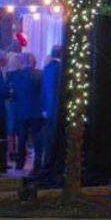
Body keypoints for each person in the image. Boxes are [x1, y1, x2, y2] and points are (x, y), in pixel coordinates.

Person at [8, 52, 42, 173]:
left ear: (22, 62)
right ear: (33, 62)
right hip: (37, 111)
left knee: (21, 139)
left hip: (21, 111)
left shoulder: (15, 75)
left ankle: (19, 164)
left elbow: (12, 93)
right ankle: (38, 164)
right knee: (37, 139)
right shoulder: (40, 74)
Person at [36, 45, 63, 178]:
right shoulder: (60, 69)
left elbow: (44, 90)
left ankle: (46, 163)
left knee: (48, 138)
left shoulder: (46, 68)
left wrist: (44, 108)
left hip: (47, 109)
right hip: (57, 109)